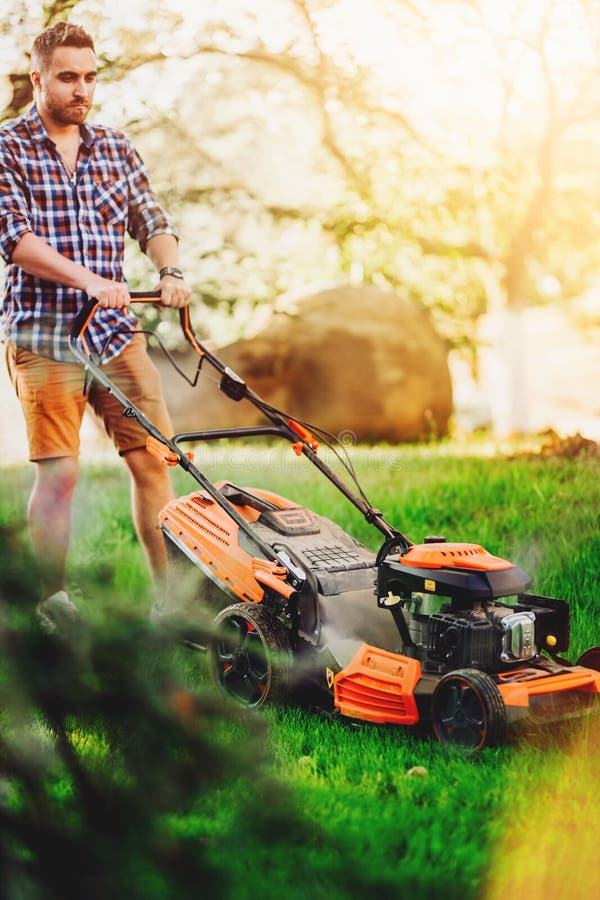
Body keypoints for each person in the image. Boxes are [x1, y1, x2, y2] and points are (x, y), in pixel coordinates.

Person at [0, 21, 192, 632]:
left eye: (89, 77)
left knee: (154, 461)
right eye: (67, 77)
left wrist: (171, 270)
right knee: (60, 471)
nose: (81, 89)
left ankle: (172, 605)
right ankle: (52, 601)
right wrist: (86, 279)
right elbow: (16, 239)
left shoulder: (114, 145)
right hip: (43, 334)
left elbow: (151, 219)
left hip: (112, 334)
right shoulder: (9, 148)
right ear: (38, 79)